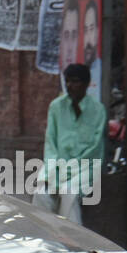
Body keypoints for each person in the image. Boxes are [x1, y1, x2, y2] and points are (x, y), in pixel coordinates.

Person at [37, 62, 105, 224]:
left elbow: (95, 149)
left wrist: (71, 170)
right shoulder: (56, 107)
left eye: (75, 81)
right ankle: (46, 240)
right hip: (57, 165)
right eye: (67, 81)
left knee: (68, 192)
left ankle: (74, 244)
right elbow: (50, 143)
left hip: (85, 168)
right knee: (41, 193)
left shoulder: (97, 110)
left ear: (86, 84)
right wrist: (51, 172)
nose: (69, 86)